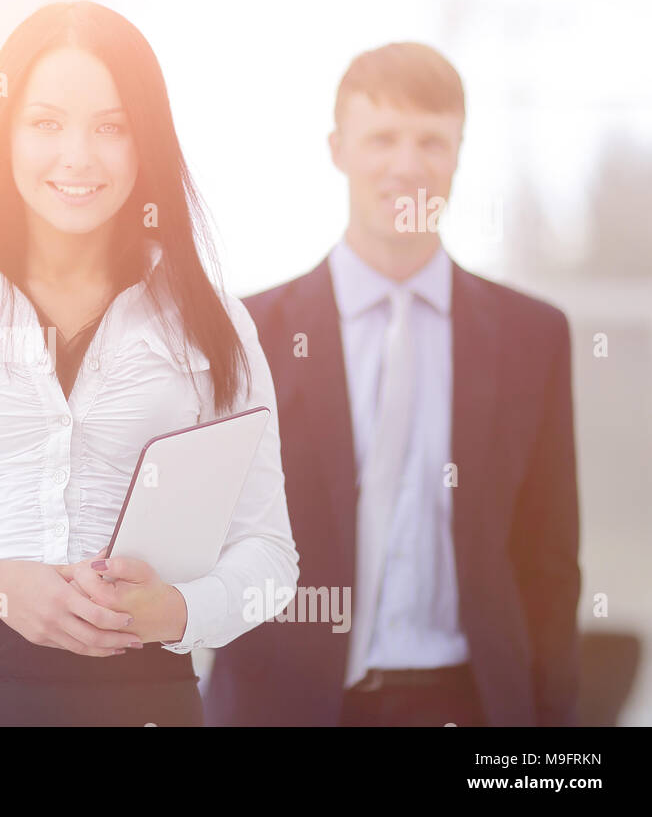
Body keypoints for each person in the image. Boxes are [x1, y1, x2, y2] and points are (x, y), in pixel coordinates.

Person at [0, 1, 298, 726]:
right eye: (45, 123)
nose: (77, 155)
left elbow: (269, 555)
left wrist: (179, 610)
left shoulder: (215, 321)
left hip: (145, 701)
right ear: (3, 136)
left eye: (111, 126)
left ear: (147, 144)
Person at [205, 42, 580, 726]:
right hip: (283, 707)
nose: (407, 165)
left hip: (469, 706)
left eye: (431, 141)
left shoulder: (535, 337)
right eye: (382, 137)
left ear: (460, 154)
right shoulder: (245, 333)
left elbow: (551, 566)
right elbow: (207, 546)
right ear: (337, 148)